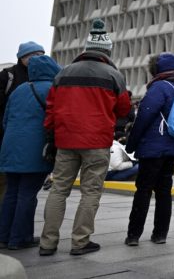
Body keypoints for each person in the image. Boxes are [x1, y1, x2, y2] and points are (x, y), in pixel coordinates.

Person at [40, 19, 131, 256]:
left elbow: (50, 109)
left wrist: (51, 136)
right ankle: (80, 241)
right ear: (107, 51)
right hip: (96, 142)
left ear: (85, 49)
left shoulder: (64, 73)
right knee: (91, 191)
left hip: (66, 140)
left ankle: (47, 242)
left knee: (59, 189)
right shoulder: (114, 75)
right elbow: (123, 110)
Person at [124, 53, 174, 246]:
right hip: (173, 149)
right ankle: (160, 234)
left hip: (153, 149)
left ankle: (133, 235)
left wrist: (131, 144)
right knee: (164, 191)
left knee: (143, 190)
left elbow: (144, 116)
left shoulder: (158, 87)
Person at [0, 55, 59, 249]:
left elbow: (6, 120)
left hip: (10, 147)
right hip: (34, 149)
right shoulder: (52, 90)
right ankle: (19, 238)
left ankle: (3, 236)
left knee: (11, 193)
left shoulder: (19, 90)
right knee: (27, 194)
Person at [0, 42, 46, 202]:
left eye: (41, 55)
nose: (37, 59)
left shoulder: (41, 77)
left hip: (26, 138)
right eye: (32, 55)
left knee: (17, 188)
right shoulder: (8, 75)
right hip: (7, 135)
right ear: (22, 57)